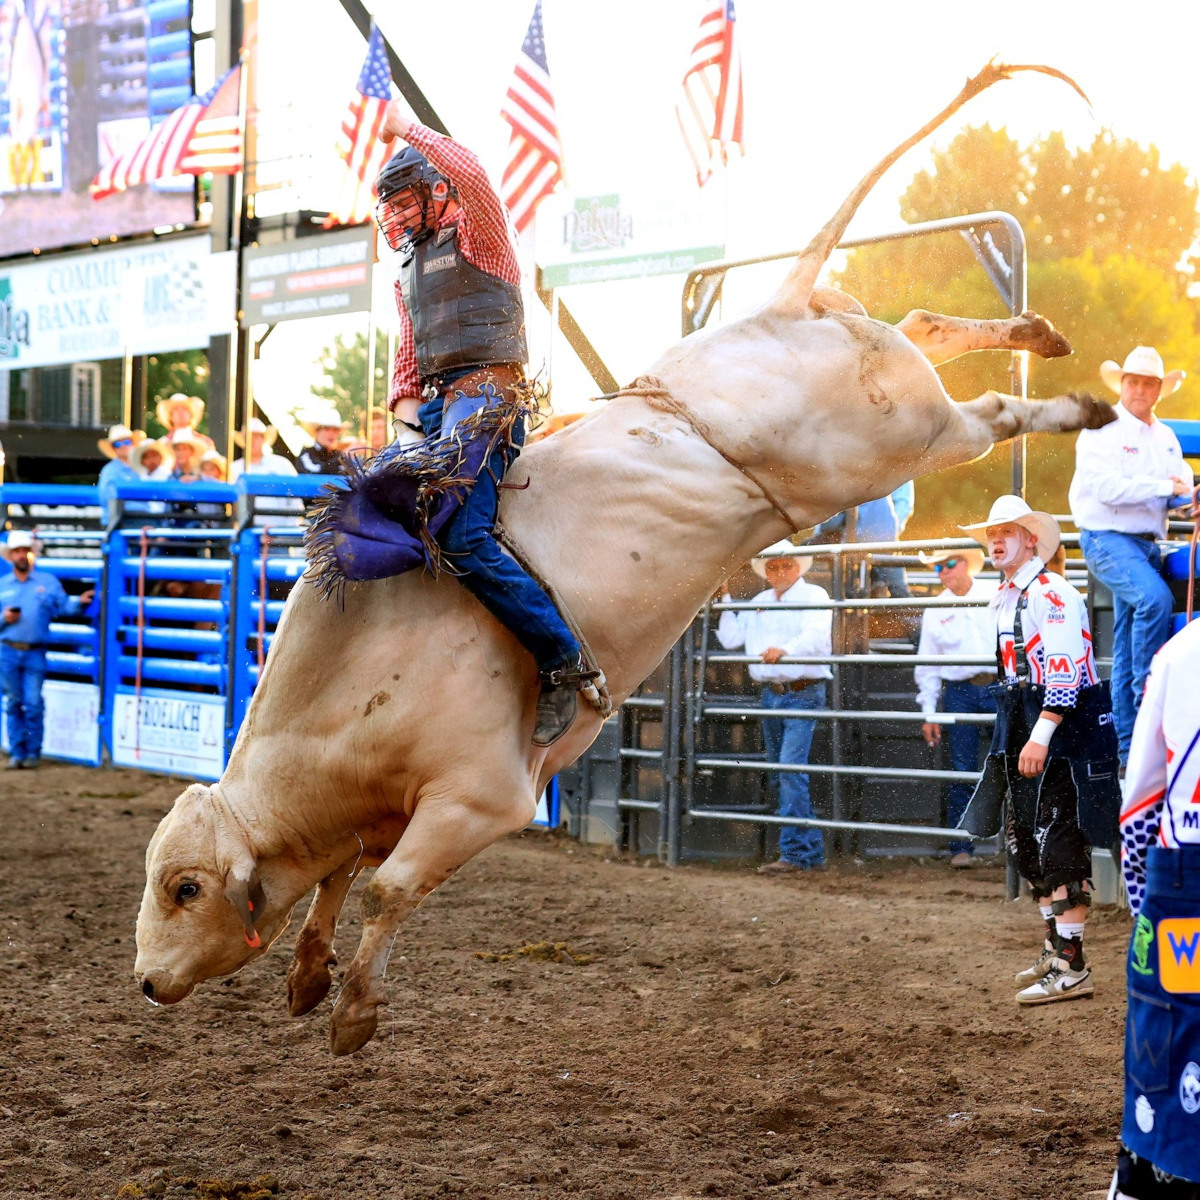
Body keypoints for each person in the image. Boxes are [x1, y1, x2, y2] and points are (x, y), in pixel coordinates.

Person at [315, 99, 587, 747]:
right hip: (441, 407)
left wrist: (406, 125)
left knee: (462, 535)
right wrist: (408, 434)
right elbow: (409, 359)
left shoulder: (481, 234)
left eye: (407, 201)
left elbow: (473, 172)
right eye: (393, 206)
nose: (398, 216)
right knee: (374, 517)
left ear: (439, 192)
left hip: (491, 395)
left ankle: (562, 661)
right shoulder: (407, 273)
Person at [957, 495, 1121, 1005]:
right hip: (1029, 721)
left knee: (1060, 838)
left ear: (1032, 540)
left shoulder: (1051, 595)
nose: (996, 539)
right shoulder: (1011, 595)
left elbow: (1066, 673)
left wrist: (1041, 733)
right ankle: (1057, 951)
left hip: (1061, 732)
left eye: (1007, 530)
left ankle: (1072, 965)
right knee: (1028, 838)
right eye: (992, 533)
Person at [1068, 346, 1194, 767]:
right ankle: (1148, 698)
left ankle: (1128, 752)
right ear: (1122, 385)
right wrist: (1166, 488)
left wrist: (1189, 498)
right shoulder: (1101, 429)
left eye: (1148, 383)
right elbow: (1106, 489)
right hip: (1107, 537)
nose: (1140, 389)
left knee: (1124, 641)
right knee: (1154, 600)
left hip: (1141, 544)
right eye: (1134, 381)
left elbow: (1180, 489)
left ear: (1159, 390)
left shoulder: (1165, 438)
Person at [1111, 619, 1200, 1200]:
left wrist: (1147, 905)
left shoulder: (1184, 650)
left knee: (1171, 1047)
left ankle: (1150, 1178)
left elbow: (1140, 797)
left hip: (1188, 872)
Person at [715, 541, 833, 873]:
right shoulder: (759, 602)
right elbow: (731, 638)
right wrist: (725, 599)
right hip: (773, 692)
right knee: (788, 772)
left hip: (802, 690)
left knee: (789, 771)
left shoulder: (815, 597)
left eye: (786, 565)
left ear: (798, 567)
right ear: (766, 573)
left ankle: (794, 854)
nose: (780, 572)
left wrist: (785, 649)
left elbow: (815, 635)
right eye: (773, 567)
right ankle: (811, 854)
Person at [913, 547, 997, 867]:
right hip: (960, 690)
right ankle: (960, 846)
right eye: (939, 568)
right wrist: (930, 712)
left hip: (996, 685)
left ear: (965, 565)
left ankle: (1024, 840)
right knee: (961, 769)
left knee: (1015, 760)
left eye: (949, 564)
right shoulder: (935, 609)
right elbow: (928, 664)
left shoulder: (996, 593)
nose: (945, 572)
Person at [0, 531, 94, 769]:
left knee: (31, 702)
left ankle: (31, 752)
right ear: (11, 556)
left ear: (32, 554)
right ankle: (17, 752)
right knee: (13, 701)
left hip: (34, 651)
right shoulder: (2, 586)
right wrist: (4, 618)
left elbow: (65, 606)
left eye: (26, 550)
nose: (22, 555)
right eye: (18, 551)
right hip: (8, 650)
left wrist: (80, 602)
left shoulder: (47, 582)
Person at [228, 418, 297, 482]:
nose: (252, 440)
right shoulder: (233, 468)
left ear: (263, 439)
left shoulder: (282, 464)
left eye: (256, 437)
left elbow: (296, 489)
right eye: (248, 437)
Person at [97, 424, 146, 512]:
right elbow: (107, 499)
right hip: (120, 519)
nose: (123, 446)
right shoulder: (109, 470)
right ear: (114, 448)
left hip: (145, 518)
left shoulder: (143, 467)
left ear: (133, 443)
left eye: (127, 442)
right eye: (117, 444)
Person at [296, 409, 348, 476]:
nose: (331, 434)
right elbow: (314, 473)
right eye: (327, 429)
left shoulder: (339, 455)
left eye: (335, 430)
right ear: (316, 432)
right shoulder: (306, 454)